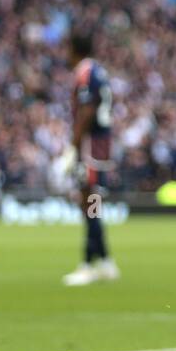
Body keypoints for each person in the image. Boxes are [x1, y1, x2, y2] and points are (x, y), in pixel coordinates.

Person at [60, 30, 120, 286]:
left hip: (90, 146)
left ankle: (87, 264)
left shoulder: (86, 73)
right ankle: (105, 261)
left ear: (75, 49)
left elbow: (87, 110)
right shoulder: (99, 71)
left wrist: (73, 147)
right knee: (91, 204)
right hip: (100, 144)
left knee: (89, 203)